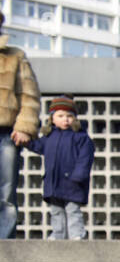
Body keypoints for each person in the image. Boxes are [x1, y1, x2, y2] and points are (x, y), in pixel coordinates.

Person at [24, 96, 96, 240]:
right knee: (56, 211)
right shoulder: (49, 137)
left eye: (69, 116)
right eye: (60, 116)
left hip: (73, 183)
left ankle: (77, 235)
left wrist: (78, 176)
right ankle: (59, 234)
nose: (65, 119)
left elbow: (85, 158)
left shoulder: (80, 137)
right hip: (53, 182)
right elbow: (38, 146)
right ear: (52, 118)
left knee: (72, 210)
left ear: (75, 118)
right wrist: (25, 141)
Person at [0, 10, 43, 238]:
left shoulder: (15, 56)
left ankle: (3, 246)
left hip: (6, 134)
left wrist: (24, 127)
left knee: (5, 193)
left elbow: (29, 94)